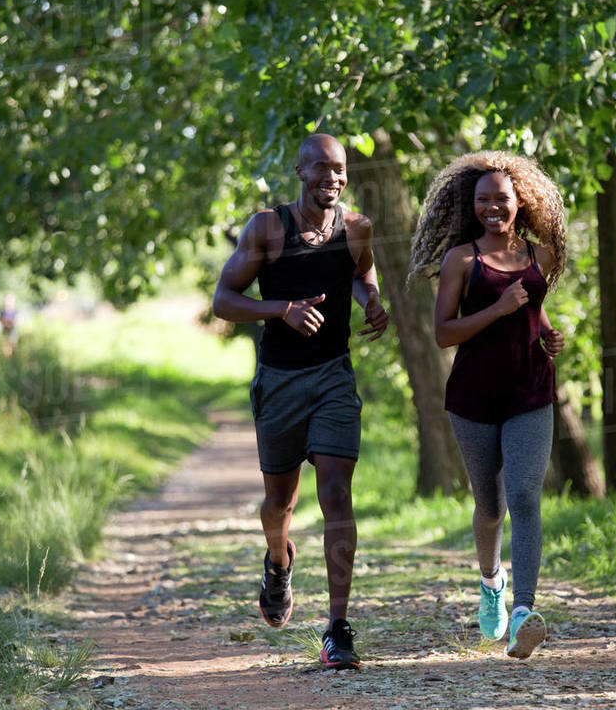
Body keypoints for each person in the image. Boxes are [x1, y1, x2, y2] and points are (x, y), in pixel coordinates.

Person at [212, 133, 389, 670]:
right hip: (280, 380)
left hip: (334, 375)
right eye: (321, 169)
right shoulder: (267, 227)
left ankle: (338, 628)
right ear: (299, 172)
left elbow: (361, 272)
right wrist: (281, 309)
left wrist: (371, 301)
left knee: (336, 492)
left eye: (339, 170)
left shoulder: (357, 228)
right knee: (280, 506)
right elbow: (223, 301)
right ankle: (277, 559)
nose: (332, 178)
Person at [407, 150, 567, 660]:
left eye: (502, 198)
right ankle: (491, 581)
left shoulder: (541, 256)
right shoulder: (461, 260)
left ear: (521, 201)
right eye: (483, 200)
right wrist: (498, 309)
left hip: (530, 393)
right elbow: (442, 332)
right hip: (473, 399)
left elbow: (534, 312)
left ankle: (523, 611)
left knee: (524, 496)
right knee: (489, 505)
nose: (492, 207)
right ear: (470, 204)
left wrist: (548, 335)